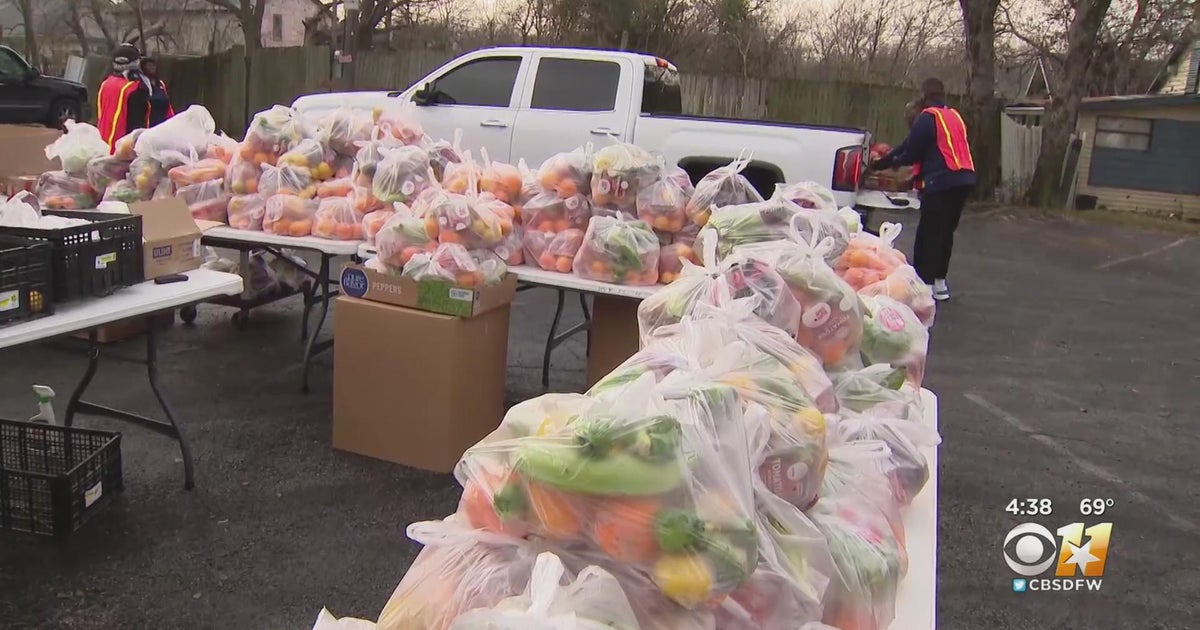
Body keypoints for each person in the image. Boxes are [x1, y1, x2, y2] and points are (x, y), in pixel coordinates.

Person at [871, 79, 975, 301]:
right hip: (964, 178)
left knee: (929, 232)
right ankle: (939, 284)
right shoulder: (954, 116)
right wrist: (888, 160)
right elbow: (912, 145)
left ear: (924, 96)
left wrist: (886, 163)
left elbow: (911, 152)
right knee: (946, 231)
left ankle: (922, 284)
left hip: (941, 181)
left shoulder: (927, 118)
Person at [96, 43, 151, 152]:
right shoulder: (135, 88)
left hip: (103, 146)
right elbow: (136, 125)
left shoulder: (106, 83)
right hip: (123, 150)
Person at [141, 57, 174, 126]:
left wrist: (172, 120)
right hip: (148, 124)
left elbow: (167, 105)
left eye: (153, 65)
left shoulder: (160, 84)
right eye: (149, 66)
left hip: (162, 123)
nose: (152, 68)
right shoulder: (141, 85)